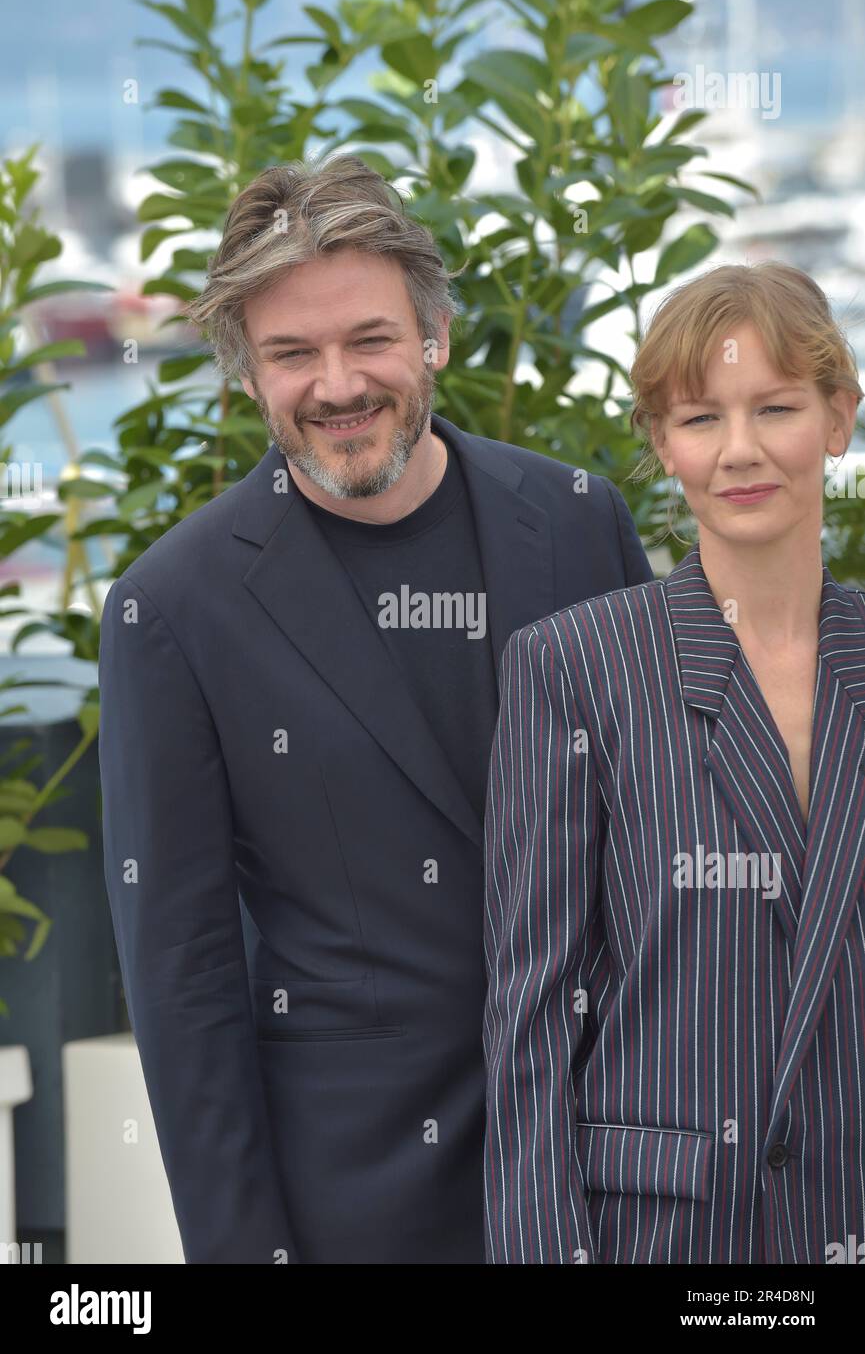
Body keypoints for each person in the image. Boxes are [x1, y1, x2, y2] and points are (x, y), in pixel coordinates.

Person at [97, 151, 653, 1264]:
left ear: (435, 335)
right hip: (359, 1205)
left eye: (370, 339)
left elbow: (656, 858)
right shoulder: (171, 609)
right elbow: (183, 980)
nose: (338, 384)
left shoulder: (579, 521)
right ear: (246, 376)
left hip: (613, 1172)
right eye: (292, 353)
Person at [483, 261, 865, 1264]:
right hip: (669, 1238)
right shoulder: (572, 668)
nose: (738, 451)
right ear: (658, 443)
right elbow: (530, 1021)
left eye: (775, 407)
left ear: (838, 416)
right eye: (698, 418)